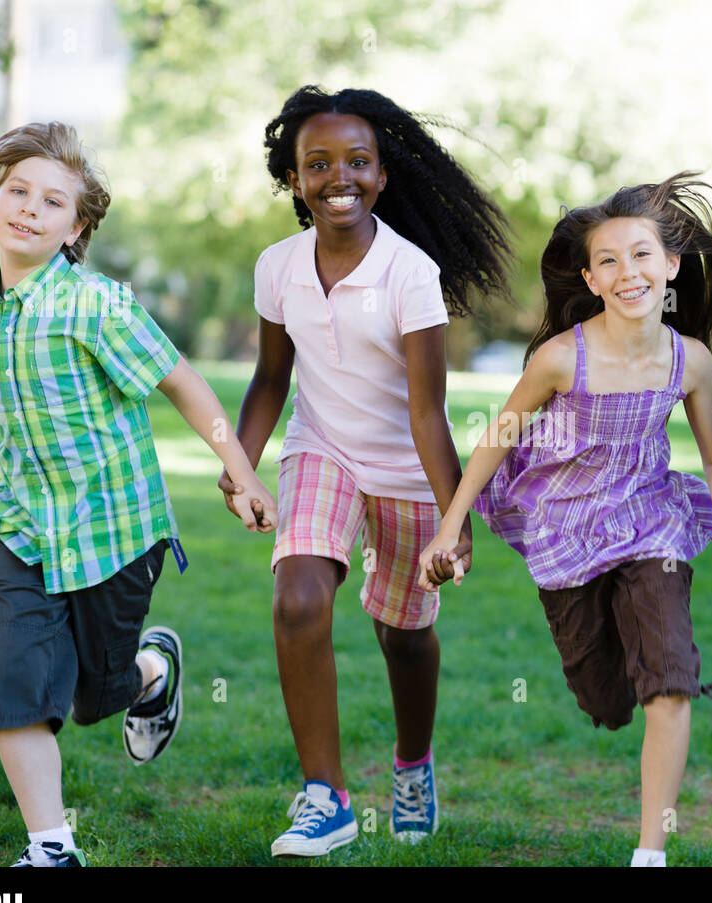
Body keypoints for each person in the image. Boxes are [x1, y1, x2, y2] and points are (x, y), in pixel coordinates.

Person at [0, 122, 277, 866]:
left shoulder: (96, 306)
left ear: (76, 228)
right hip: (23, 528)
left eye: (51, 201)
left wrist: (243, 471)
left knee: (97, 696)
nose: (28, 207)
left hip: (116, 530)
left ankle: (151, 673)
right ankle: (52, 847)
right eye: (16, 191)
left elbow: (178, 379)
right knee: (13, 680)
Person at [419, 173, 712, 867]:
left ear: (671, 265)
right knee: (608, 698)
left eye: (642, 254)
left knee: (669, 678)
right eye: (608, 260)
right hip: (565, 532)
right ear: (590, 276)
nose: (627, 271)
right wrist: (449, 525)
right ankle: (615, 689)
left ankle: (650, 853)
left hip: (652, 523)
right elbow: (498, 437)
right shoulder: (561, 359)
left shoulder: (689, 361)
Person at [219, 86, 513, 857]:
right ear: (293, 178)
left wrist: (455, 520)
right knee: (297, 599)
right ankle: (326, 796)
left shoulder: (410, 273)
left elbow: (428, 413)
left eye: (357, 161)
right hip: (322, 450)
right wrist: (240, 466)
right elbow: (271, 379)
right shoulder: (277, 266)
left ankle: (413, 764)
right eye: (317, 163)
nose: (337, 176)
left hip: (411, 472)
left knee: (403, 635)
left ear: (383, 176)